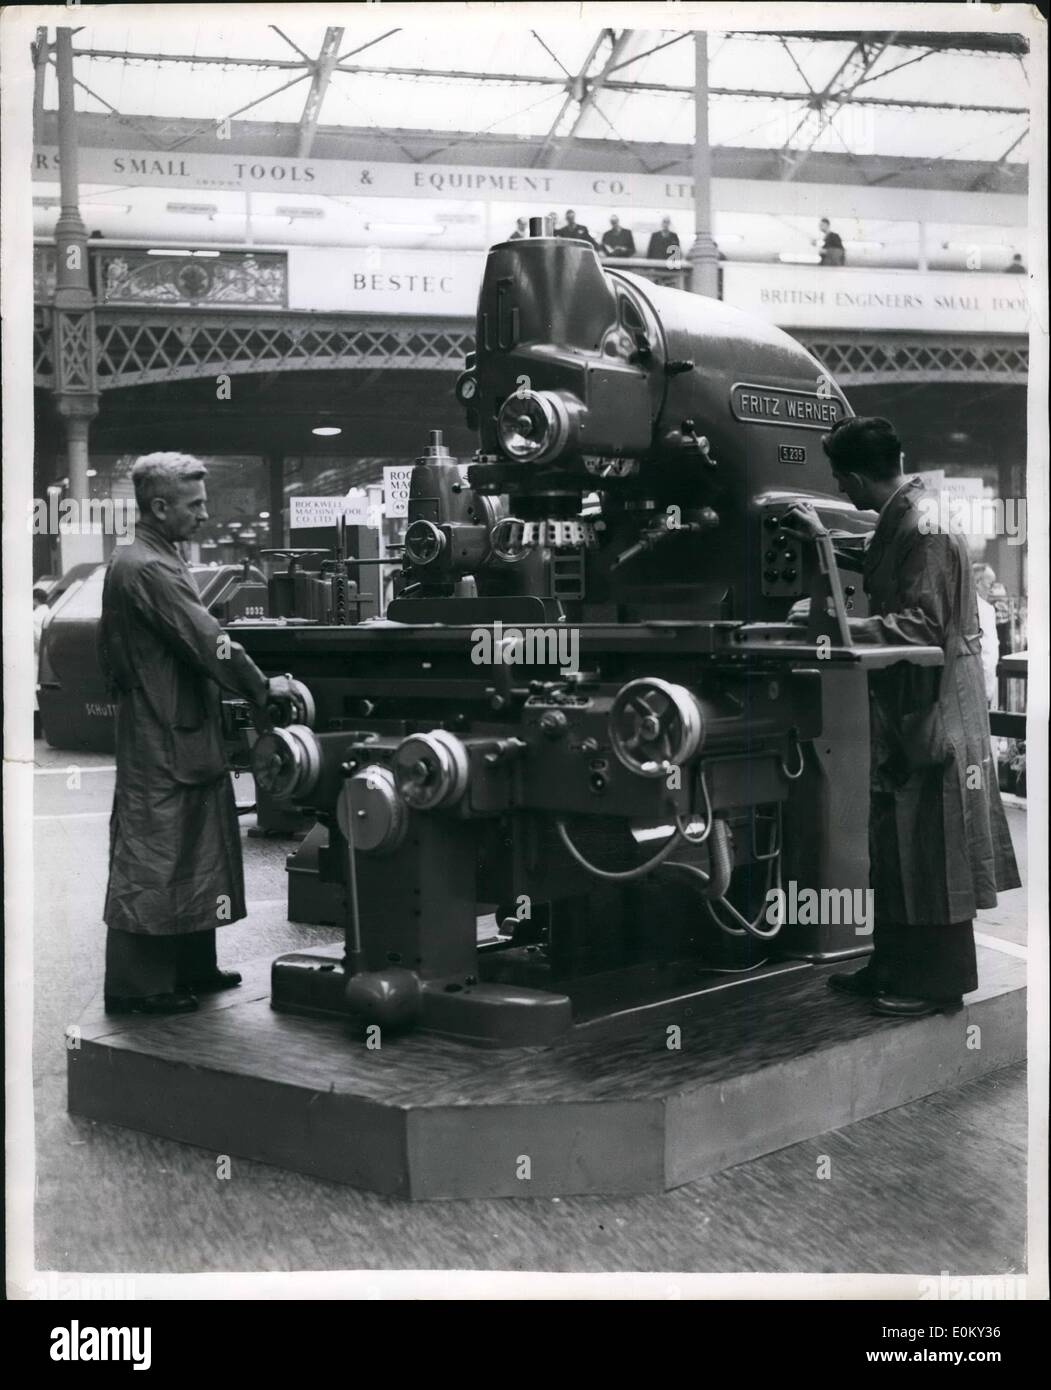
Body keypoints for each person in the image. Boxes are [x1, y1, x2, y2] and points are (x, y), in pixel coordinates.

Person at [783, 418, 1019, 1018]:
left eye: (841, 482)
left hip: (935, 703)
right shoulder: (906, 517)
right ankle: (891, 965)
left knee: (933, 844)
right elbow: (875, 557)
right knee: (895, 840)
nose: (843, 493)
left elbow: (921, 623)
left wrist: (832, 627)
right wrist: (820, 538)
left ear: (860, 475)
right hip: (908, 701)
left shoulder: (927, 526)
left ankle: (937, 985)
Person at [98, 452, 294, 1016]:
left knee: (194, 846)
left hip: (173, 725)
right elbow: (209, 639)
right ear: (159, 507)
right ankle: (139, 987)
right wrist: (263, 687)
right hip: (163, 732)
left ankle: (190, 966)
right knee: (155, 854)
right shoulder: (150, 568)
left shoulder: (147, 557)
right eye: (195, 504)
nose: (206, 513)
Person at [971, 563, 1001, 705]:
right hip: (979, 683)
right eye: (990, 584)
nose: (992, 590)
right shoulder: (982, 609)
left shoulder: (984, 608)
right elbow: (986, 652)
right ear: (977, 583)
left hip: (979, 682)